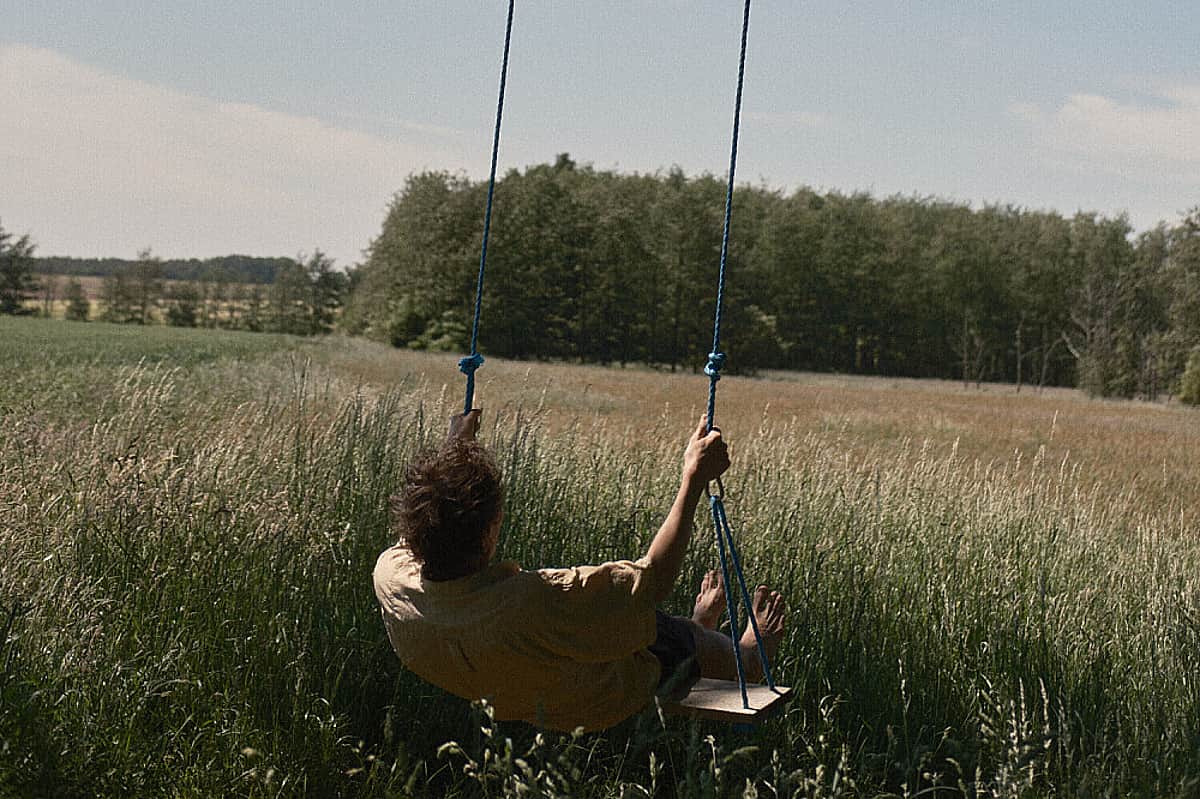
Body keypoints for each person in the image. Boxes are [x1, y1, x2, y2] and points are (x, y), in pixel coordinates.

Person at [372, 409, 786, 732]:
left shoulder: (391, 575)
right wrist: (692, 478)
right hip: (595, 693)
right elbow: (653, 580)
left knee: (634, 622)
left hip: (511, 680)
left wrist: (455, 448)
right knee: (666, 636)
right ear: (490, 532)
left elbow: (429, 517)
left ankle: (695, 628)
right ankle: (740, 655)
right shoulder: (534, 602)